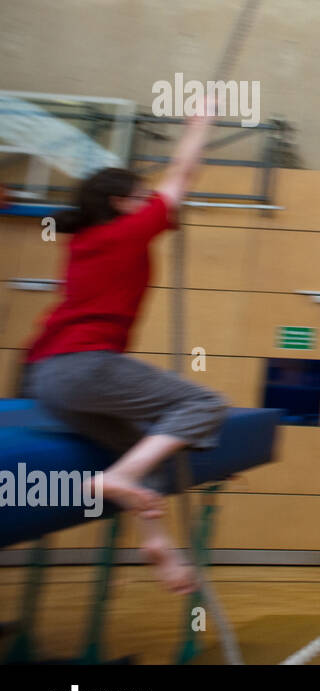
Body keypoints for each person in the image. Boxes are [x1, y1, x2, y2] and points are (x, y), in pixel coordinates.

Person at [23, 102, 227, 590]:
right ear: (120, 202)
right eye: (140, 195)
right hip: (85, 366)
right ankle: (120, 479)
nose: (147, 200)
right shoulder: (125, 232)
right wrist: (200, 124)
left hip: (47, 379)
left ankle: (159, 544)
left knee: (140, 453)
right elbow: (182, 175)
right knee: (205, 404)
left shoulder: (83, 242)